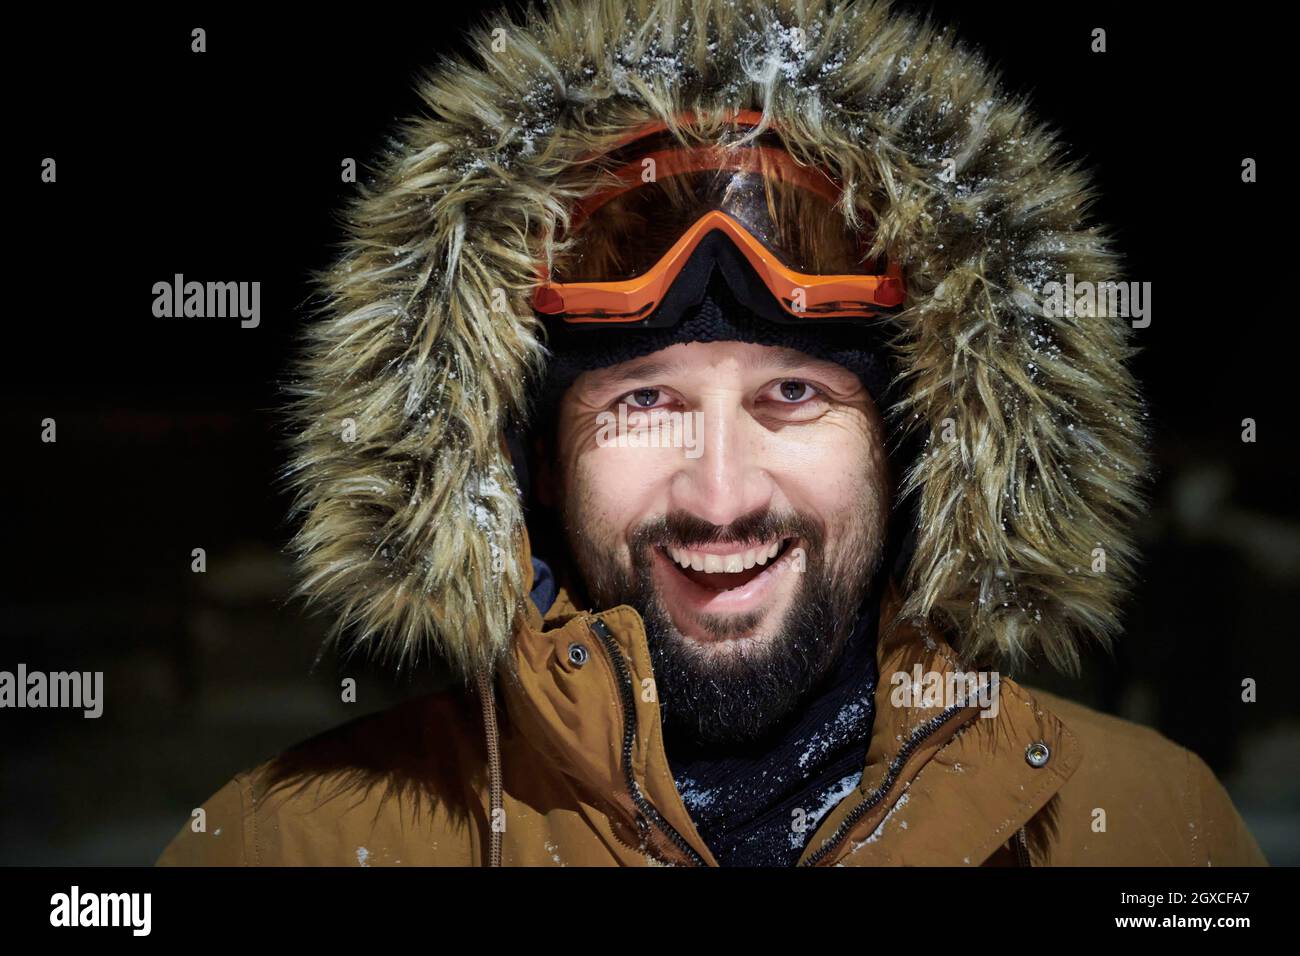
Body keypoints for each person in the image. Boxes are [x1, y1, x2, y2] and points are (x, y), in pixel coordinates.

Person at [156, 0, 1266, 866]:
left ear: (922, 445)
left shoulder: (1147, 823)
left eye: (794, 395)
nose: (721, 496)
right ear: (528, 457)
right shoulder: (284, 842)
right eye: (642, 400)